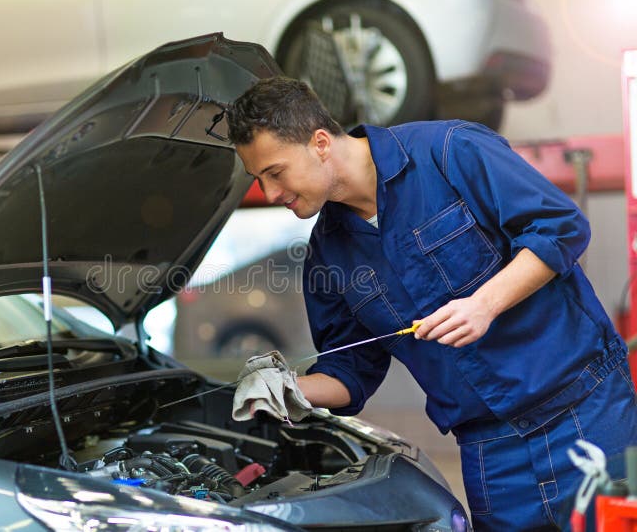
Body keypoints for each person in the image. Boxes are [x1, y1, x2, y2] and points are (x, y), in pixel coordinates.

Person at [226, 76, 637, 531]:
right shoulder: (329, 254)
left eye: (275, 173)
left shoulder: (450, 151)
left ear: (320, 142)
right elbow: (350, 372)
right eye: (258, 179)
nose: (269, 194)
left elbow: (560, 227)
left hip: (583, 412)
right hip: (489, 452)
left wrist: (485, 304)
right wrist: (290, 388)